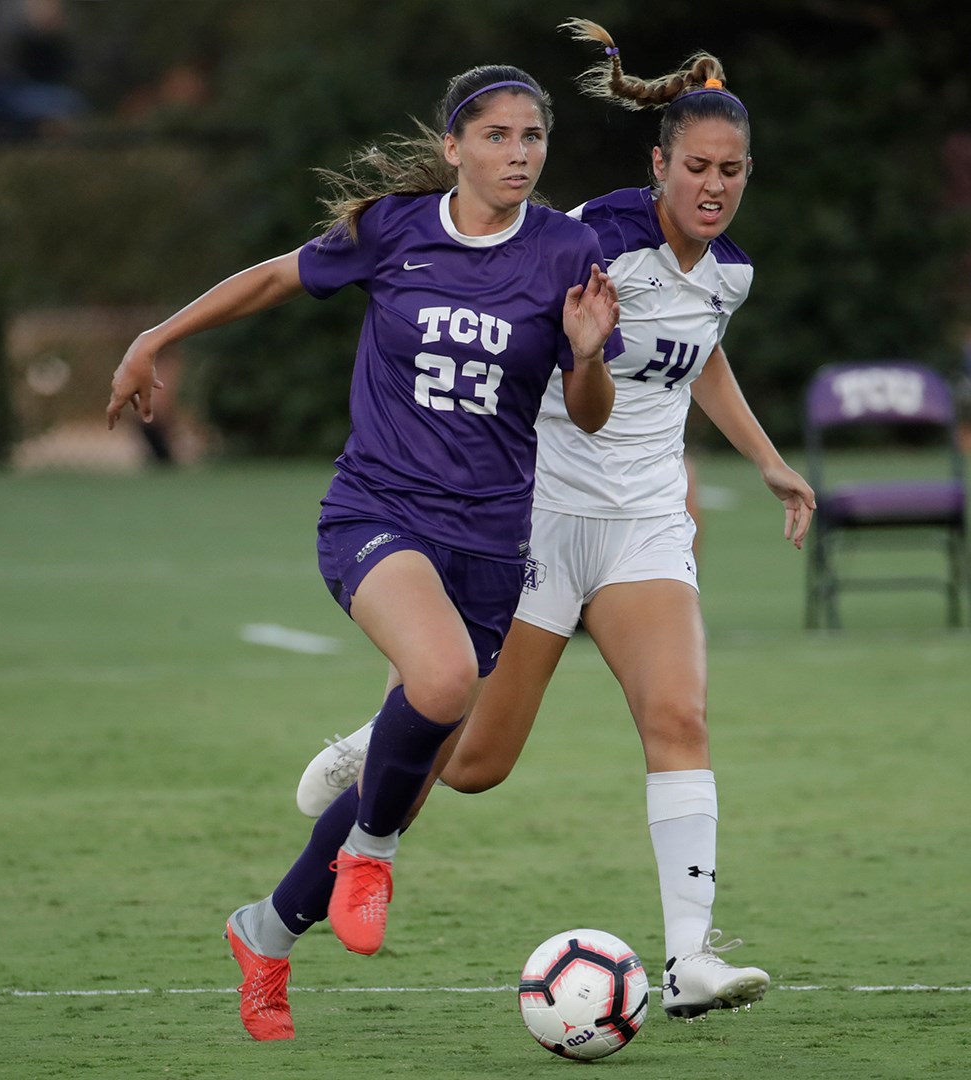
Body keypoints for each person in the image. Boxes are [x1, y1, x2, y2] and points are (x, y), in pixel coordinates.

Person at [294, 20, 816, 1020]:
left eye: (734, 170)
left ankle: (692, 959)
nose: (715, 185)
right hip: (539, 518)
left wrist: (768, 461)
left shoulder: (731, 272)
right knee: (478, 765)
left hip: (645, 526)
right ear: (657, 165)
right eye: (698, 166)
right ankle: (379, 739)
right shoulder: (591, 237)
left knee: (680, 717)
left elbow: (697, 350)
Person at [103, 65, 622, 1041]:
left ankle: (266, 930)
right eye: (500, 136)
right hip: (376, 514)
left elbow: (591, 419)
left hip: (489, 546)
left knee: (421, 756)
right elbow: (269, 278)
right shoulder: (395, 231)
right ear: (457, 145)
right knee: (438, 682)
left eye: (533, 138)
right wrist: (156, 335)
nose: (519, 154)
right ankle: (372, 852)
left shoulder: (567, 251)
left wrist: (589, 353)